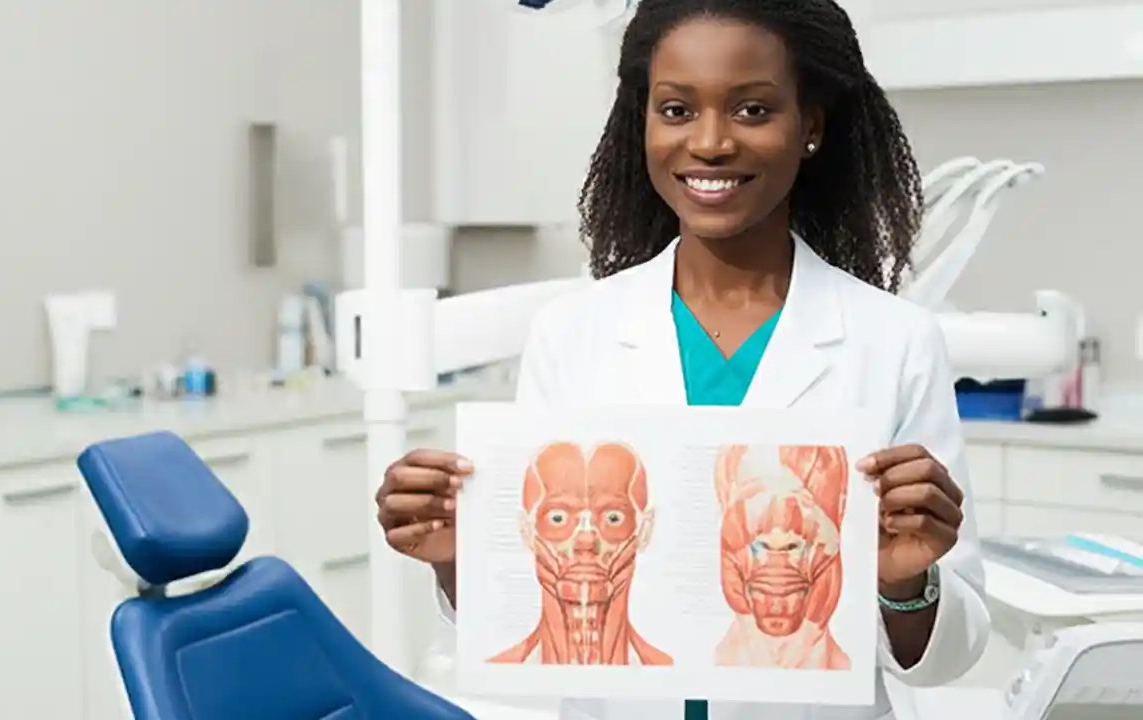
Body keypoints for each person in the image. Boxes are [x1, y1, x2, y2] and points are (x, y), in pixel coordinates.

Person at [374, 0, 989, 718]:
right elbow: (532, 609)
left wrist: (905, 583)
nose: (710, 142)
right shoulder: (572, 334)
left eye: (753, 110)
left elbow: (948, 657)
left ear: (811, 126)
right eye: (675, 110)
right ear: (643, 124)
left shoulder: (894, 341)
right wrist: (457, 555)